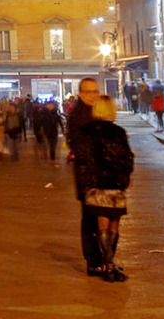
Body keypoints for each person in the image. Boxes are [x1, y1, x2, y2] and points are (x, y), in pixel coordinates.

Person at [76, 97, 135, 281]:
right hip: (115, 184)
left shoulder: (87, 132)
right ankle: (111, 264)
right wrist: (124, 176)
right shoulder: (118, 132)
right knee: (114, 225)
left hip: (97, 185)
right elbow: (128, 158)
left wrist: (86, 183)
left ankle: (107, 265)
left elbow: (84, 160)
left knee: (101, 225)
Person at [66, 77, 107, 276]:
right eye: (89, 92)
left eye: (95, 91)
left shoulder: (95, 113)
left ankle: (101, 258)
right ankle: (93, 261)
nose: (93, 95)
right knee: (90, 219)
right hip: (88, 176)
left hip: (96, 175)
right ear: (81, 94)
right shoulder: (79, 116)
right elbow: (82, 148)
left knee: (98, 217)